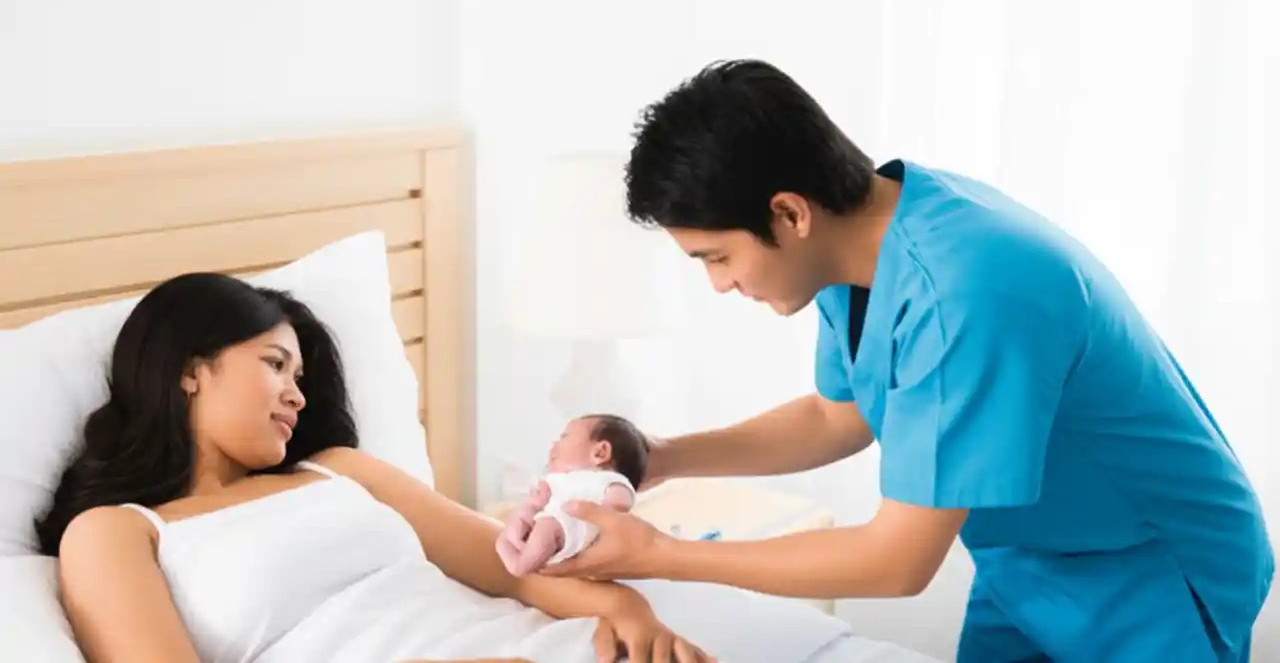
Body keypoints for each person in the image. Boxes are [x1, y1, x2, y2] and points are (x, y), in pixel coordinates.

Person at [540, 59, 1274, 662]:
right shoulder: (867, 243)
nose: (720, 284)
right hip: (1028, 558)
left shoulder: (967, 290)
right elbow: (837, 417)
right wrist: (660, 457)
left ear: (789, 213)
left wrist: (659, 555)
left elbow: (896, 562)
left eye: (719, 256)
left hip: (1149, 571)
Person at [34, 273, 711, 663]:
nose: (299, 394)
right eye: (275, 365)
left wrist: (623, 605)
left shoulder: (338, 469)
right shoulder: (116, 532)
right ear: (189, 370)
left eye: (300, 374)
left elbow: (505, 563)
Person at [497, 414, 645, 576]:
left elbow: (621, 501)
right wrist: (531, 507)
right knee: (504, 535)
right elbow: (539, 501)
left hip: (569, 530)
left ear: (600, 452)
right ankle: (517, 553)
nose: (554, 443)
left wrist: (611, 510)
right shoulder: (556, 479)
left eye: (564, 436)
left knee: (547, 528)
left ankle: (521, 565)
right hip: (546, 523)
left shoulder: (607, 479)